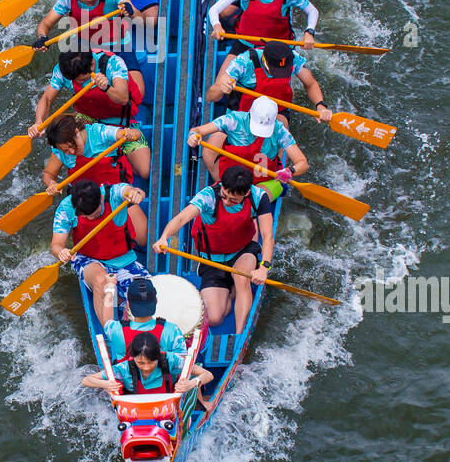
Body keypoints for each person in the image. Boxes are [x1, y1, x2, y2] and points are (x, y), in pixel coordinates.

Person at [155, 164, 275, 335]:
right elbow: (182, 218)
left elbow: (267, 235)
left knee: (242, 278)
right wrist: (164, 237)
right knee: (214, 318)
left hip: (242, 249)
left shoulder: (258, 197)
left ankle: (239, 335)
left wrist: (264, 267)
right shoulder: (208, 196)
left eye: (233, 200)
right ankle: (232, 291)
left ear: (246, 193)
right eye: (224, 196)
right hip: (213, 258)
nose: (226, 202)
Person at [52, 178, 149, 321]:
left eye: (96, 213)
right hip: (88, 259)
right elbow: (56, 245)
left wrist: (136, 193)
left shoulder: (114, 193)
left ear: (102, 197)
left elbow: (132, 191)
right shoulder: (66, 208)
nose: (91, 218)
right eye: (87, 216)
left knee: (147, 295)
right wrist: (61, 251)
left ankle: (123, 307)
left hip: (123, 258)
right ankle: (110, 333)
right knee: (100, 280)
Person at [187, 95, 308, 191]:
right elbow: (197, 130)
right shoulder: (234, 119)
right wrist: (193, 136)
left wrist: (290, 171)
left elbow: (303, 163)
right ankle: (222, 185)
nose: (259, 134)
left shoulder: (279, 130)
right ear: (249, 115)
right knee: (212, 144)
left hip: (260, 182)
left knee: (258, 200)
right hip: (232, 175)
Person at [206, 38, 332, 126]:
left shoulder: (292, 57)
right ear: (264, 61)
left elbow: (310, 83)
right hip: (242, 112)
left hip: (275, 112)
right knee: (208, 154)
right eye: (276, 71)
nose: (279, 75)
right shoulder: (243, 62)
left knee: (281, 131)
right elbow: (210, 98)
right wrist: (221, 86)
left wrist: (320, 106)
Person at [35, 0, 137, 64]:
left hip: (118, 43)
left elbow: (136, 14)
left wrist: (129, 10)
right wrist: (42, 37)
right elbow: (46, 23)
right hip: (83, 45)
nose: (88, 5)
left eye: (92, 2)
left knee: (137, 82)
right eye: (82, 1)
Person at [31, 47, 144, 132]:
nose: (77, 82)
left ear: (92, 64)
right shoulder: (63, 69)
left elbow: (123, 99)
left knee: (139, 91)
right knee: (65, 136)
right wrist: (38, 122)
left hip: (123, 111)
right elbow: (47, 99)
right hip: (90, 115)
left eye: (81, 79)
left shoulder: (113, 63)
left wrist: (106, 87)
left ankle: (128, 54)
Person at [83, 331, 212, 397]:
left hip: (168, 413)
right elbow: (87, 380)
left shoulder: (170, 360)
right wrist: (106, 384)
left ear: (159, 355)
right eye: (140, 362)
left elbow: (207, 375)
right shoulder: (124, 368)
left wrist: (191, 384)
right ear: (133, 358)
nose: (146, 367)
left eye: (151, 362)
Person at [43, 115, 150, 188]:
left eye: (72, 146)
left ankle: (129, 160)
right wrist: (51, 183)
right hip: (86, 197)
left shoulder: (99, 132)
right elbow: (48, 174)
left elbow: (136, 134)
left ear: (76, 132)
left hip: (114, 190)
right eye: (65, 150)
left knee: (145, 171)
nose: (71, 152)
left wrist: (130, 134)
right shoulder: (59, 149)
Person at [101, 275, 187, 358]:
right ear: (156, 301)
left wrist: (110, 287)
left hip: (127, 373)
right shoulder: (172, 330)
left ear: (128, 305)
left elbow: (106, 320)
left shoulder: (116, 330)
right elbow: (182, 362)